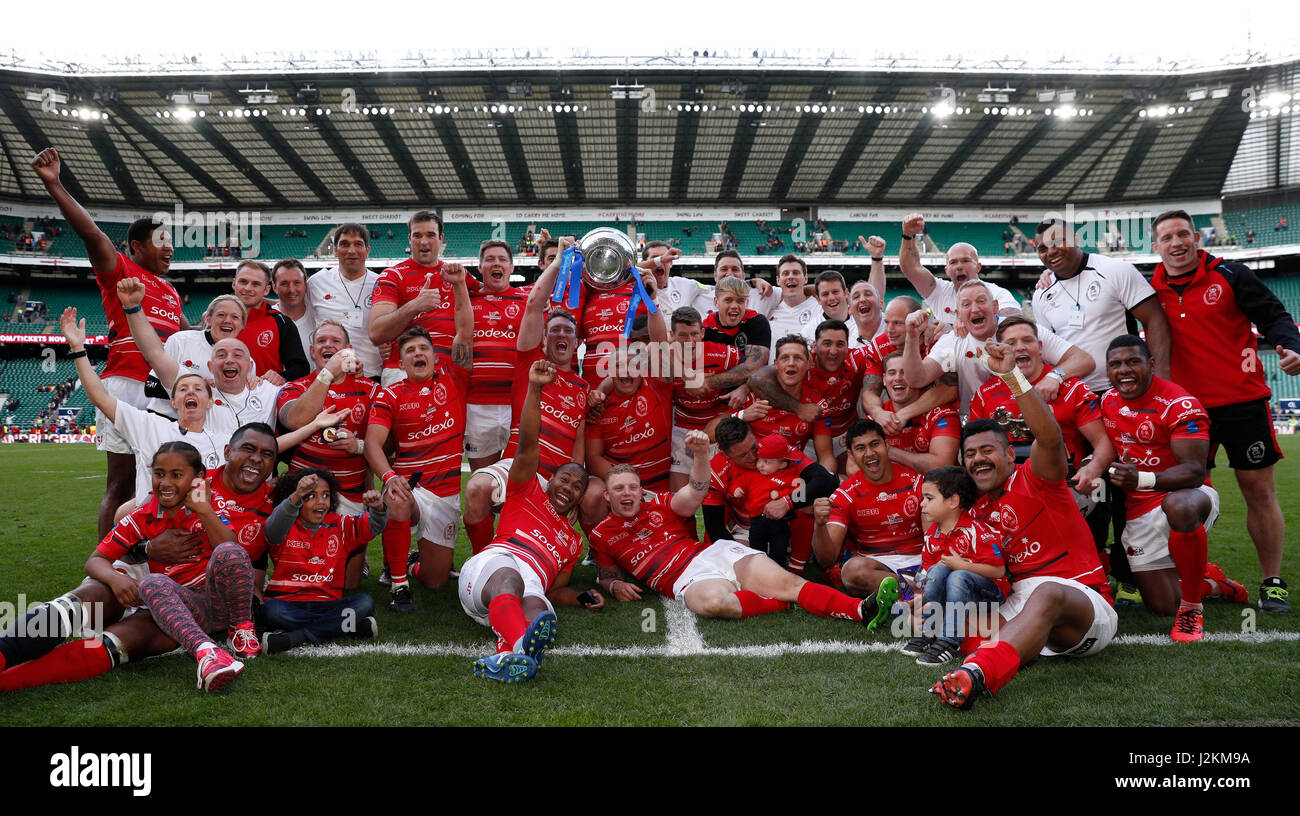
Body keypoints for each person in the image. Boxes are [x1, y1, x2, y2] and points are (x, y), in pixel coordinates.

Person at [0, 427, 277, 688]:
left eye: (176, 475)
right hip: (160, 595)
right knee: (85, 603)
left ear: (197, 478)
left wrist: (204, 511)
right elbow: (96, 559)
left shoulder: (210, 507)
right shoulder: (142, 515)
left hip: (202, 601)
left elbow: (231, 551)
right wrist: (117, 576)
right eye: (159, 474)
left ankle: (234, 633)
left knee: (127, 637)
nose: (166, 482)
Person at [930, 340, 1115, 711]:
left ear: (1009, 454)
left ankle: (977, 674)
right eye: (970, 454)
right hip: (1019, 605)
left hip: (1080, 601)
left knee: (1045, 593)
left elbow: (1049, 436)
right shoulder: (974, 509)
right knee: (953, 624)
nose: (978, 459)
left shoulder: (1037, 476)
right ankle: (1000, 649)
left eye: (987, 450)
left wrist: (1012, 377)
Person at [32, 147, 189, 538]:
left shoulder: (171, 292)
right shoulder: (121, 269)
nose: (169, 247)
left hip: (164, 394)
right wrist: (55, 185)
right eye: (159, 240)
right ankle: (104, 566)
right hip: (124, 387)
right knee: (119, 483)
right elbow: (91, 233)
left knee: (165, 484)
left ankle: (151, 558)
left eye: (170, 240)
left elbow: (194, 337)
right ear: (137, 246)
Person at [1149, 209, 1300, 613]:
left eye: (1183, 234)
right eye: (1167, 237)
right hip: (1185, 411)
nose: (1177, 243)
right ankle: (1198, 574)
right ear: (1156, 246)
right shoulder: (1147, 289)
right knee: (1189, 496)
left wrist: (1293, 346)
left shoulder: (1231, 275)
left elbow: (1275, 316)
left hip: (1243, 402)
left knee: (1259, 492)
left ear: (1195, 238)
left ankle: (1273, 582)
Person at [590, 430, 876, 626]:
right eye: (619, 489)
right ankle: (778, 601)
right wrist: (614, 585)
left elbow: (695, 490)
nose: (627, 494)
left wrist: (702, 455)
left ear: (641, 491)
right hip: (684, 579)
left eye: (633, 487)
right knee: (714, 604)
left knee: (792, 584)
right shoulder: (601, 534)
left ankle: (860, 609)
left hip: (714, 554)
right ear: (607, 495)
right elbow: (606, 576)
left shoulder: (662, 504)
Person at [1073, 336, 1247, 641]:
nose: (1124, 370)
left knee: (1179, 507)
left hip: (1185, 497)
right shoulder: (1108, 401)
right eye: (1115, 364)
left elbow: (1194, 472)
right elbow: (1105, 447)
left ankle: (1192, 610)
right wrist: (1091, 465)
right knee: (1163, 605)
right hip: (1139, 513)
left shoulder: (1180, 404)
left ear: (1151, 364)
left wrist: (1141, 478)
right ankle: (1212, 584)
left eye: (1132, 362)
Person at [458, 359, 601, 684]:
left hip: (532, 583)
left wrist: (581, 597)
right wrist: (535, 389)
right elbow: (528, 444)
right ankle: (523, 644)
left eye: (578, 487)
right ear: (549, 481)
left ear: (580, 500)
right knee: (512, 580)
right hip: (494, 567)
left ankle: (508, 653)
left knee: (539, 606)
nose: (569, 488)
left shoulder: (573, 541)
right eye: (565, 480)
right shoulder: (527, 490)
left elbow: (557, 589)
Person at [462, 236, 592, 554]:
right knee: (478, 487)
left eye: (568, 332)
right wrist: (559, 262)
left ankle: (601, 566)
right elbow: (534, 304)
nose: (561, 335)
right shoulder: (530, 364)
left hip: (556, 478)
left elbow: (578, 446)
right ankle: (482, 560)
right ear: (544, 339)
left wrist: (575, 487)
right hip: (519, 468)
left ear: (577, 344)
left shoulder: (584, 389)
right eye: (555, 330)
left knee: (593, 498)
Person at [364, 261, 473, 609]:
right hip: (411, 487)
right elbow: (372, 444)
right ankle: (398, 585)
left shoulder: (454, 377)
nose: (417, 354)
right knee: (395, 497)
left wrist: (458, 286)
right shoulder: (390, 394)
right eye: (409, 351)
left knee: (436, 581)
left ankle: (411, 563)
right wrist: (389, 476)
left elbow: (465, 331)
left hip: (445, 495)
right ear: (402, 360)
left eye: (423, 348)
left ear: (434, 356)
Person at [276, 321, 380, 586]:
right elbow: (296, 420)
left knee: (348, 585)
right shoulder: (295, 388)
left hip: (351, 491)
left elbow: (389, 446)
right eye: (322, 341)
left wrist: (358, 445)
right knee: (304, 581)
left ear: (348, 350)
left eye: (335, 341)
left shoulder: (371, 390)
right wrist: (326, 374)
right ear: (312, 350)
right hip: (305, 490)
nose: (328, 345)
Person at [903, 282, 1094, 415]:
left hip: (1033, 419)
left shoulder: (1022, 331)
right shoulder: (953, 342)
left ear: (995, 307)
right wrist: (911, 337)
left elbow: (1084, 359)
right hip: (980, 429)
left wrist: (1055, 376)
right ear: (959, 314)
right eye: (966, 304)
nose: (975, 309)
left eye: (981, 301)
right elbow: (917, 378)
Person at [1031, 218, 1172, 394]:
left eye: (1058, 242)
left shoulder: (1114, 270)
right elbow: (1048, 349)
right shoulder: (1041, 294)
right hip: (1076, 393)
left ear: (1076, 239)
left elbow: (1154, 320)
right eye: (1042, 249)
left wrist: (1161, 379)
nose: (1050, 252)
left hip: (1125, 388)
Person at [258, 469, 387, 653]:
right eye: (310, 496)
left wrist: (378, 508)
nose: (320, 502)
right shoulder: (284, 526)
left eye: (325, 495)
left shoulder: (340, 525)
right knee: (271, 610)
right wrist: (297, 495)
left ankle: (297, 637)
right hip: (287, 603)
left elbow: (373, 525)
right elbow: (271, 529)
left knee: (365, 602)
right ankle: (348, 627)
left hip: (328, 604)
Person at [813, 419, 923, 610]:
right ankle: (921, 595)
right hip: (880, 567)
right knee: (852, 572)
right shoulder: (845, 495)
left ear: (886, 445)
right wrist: (819, 525)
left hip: (922, 560)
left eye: (875, 444)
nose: (870, 453)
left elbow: (936, 535)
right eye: (861, 448)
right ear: (851, 454)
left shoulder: (915, 481)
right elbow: (826, 559)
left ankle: (906, 598)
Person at [907, 466, 1008, 666]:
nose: (922, 504)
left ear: (953, 501)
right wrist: (914, 593)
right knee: (938, 570)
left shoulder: (977, 532)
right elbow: (927, 574)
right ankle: (929, 632)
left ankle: (948, 642)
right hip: (957, 595)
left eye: (929, 498)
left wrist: (961, 565)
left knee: (957, 575)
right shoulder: (931, 536)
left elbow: (999, 571)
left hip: (989, 594)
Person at [370, 211, 476, 386]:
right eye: (417, 235)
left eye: (430, 235)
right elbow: (376, 333)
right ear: (410, 239)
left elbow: (494, 293)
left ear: (441, 238)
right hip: (403, 371)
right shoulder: (392, 275)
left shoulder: (457, 273)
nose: (424, 241)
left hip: (449, 370)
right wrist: (415, 305)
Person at [465, 239, 528, 470]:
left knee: (520, 481)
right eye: (489, 259)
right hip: (478, 405)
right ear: (480, 267)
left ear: (511, 267)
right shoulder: (467, 301)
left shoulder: (527, 302)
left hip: (518, 406)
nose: (496, 264)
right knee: (482, 480)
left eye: (502, 259)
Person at [667, 306, 745, 491]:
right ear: (672, 335)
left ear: (703, 332)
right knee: (678, 497)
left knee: (725, 494)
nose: (690, 341)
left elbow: (755, 371)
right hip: (681, 430)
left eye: (694, 334)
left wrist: (744, 387)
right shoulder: (663, 358)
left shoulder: (725, 354)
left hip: (717, 427)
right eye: (683, 335)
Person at [898, 213, 1021, 325]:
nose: (959, 266)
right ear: (947, 270)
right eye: (953, 262)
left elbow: (1013, 320)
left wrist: (953, 329)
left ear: (978, 267)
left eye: (965, 260)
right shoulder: (939, 292)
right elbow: (911, 268)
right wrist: (908, 235)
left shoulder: (997, 293)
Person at [141, 294, 247, 419]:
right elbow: (150, 386)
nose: (227, 320)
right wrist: (196, 386)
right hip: (165, 421)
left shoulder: (245, 361)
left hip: (204, 431)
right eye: (221, 315)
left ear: (242, 325)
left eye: (235, 317)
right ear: (208, 319)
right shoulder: (181, 341)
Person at [307, 223, 383, 379]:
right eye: (344, 244)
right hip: (329, 377)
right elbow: (290, 307)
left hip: (371, 374)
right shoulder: (317, 282)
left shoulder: (381, 283)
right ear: (335, 250)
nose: (351, 250)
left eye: (358, 244)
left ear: (367, 250)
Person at [877, 350, 960, 473]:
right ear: (884, 379)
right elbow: (853, 468)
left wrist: (889, 452)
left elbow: (942, 465)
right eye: (892, 373)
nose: (898, 378)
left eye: (905, 372)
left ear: (918, 376)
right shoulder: (877, 417)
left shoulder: (941, 413)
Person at [232, 259, 308, 384]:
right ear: (234, 284)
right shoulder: (219, 321)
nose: (248, 288)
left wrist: (282, 376)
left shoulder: (282, 322)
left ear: (266, 290)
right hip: (223, 399)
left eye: (256, 284)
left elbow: (301, 368)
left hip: (266, 399)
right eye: (243, 282)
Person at [765, 255, 821, 355]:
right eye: (785, 273)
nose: (790, 277)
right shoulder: (769, 311)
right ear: (778, 280)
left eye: (796, 273)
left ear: (805, 279)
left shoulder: (820, 308)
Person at [271, 258, 314, 372]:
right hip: (283, 388)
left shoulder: (319, 314)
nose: (291, 290)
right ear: (274, 287)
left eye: (297, 282)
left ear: (305, 285)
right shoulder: (269, 320)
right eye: (284, 284)